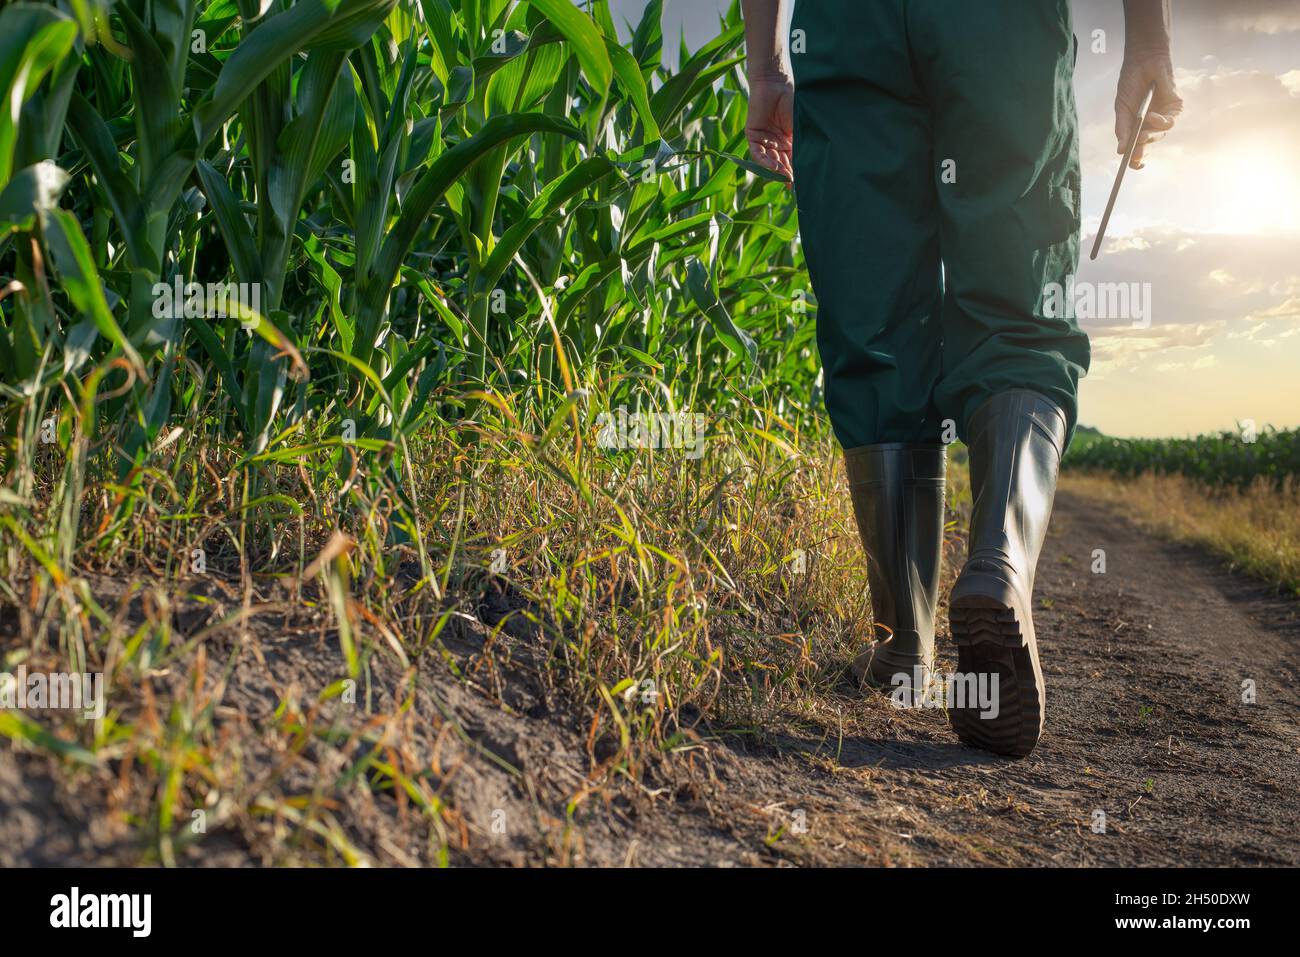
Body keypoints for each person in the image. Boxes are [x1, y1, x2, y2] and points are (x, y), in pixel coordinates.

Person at [740, 0, 1182, 757]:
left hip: (853, 30)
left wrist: (767, 63)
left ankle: (902, 640)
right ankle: (997, 563)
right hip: (997, 23)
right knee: (1017, 311)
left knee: (872, 324)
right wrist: (1148, 37)